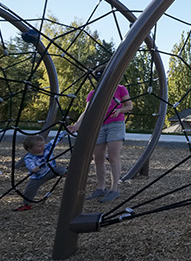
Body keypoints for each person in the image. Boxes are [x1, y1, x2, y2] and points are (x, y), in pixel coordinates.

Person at [67, 64, 133, 203]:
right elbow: (87, 111)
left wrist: (119, 111)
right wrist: (76, 126)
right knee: (98, 158)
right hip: (99, 125)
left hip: (115, 124)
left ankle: (114, 189)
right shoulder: (93, 93)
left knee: (114, 156)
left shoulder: (120, 89)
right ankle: (101, 188)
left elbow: (129, 106)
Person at [14, 134, 68, 211]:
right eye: (39, 146)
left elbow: (55, 140)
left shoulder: (47, 148)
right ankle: (26, 204)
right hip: (38, 177)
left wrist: (64, 132)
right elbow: (29, 164)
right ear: (29, 149)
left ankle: (67, 174)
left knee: (59, 169)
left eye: (43, 144)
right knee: (29, 190)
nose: (43, 147)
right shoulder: (29, 157)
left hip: (51, 171)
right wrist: (33, 168)